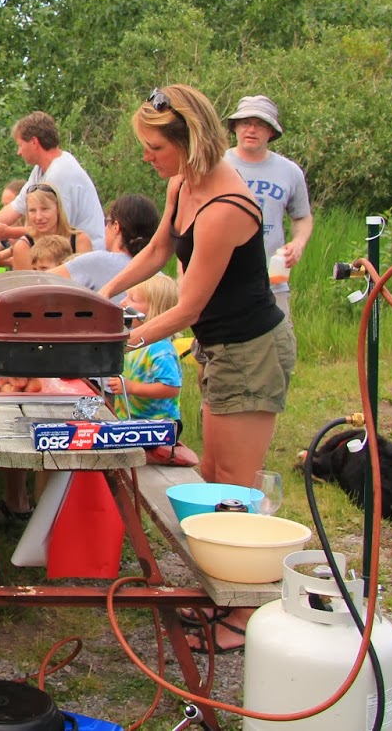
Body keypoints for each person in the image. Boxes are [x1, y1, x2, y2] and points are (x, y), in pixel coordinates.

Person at [100, 84, 295, 657]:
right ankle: (216, 594)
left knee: (235, 488)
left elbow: (188, 307)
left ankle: (240, 614)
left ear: (187, 140)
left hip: (251, 349)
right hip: (220, 348)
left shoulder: (227, 208)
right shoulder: (181, 182)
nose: (146, 156)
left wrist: (118, 339)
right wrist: (103, 295)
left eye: (154, 145)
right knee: (210, 473)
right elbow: (159, 251)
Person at [224, 95, 314, 323]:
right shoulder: (217, 164)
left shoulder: (290, 171)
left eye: (260, 124)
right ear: (235, 127)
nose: (251, 130)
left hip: (272, 281)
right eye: (246, 123)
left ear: (271, 132)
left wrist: (298, 244)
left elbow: (302, 216)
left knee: (280, 349)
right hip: (222, 280)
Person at [0, 112, 106, 251]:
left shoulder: (61, 172)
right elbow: (16, 206)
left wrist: (8, 233)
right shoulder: (40, 170)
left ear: (34, 142)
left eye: (20, 145)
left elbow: (55, 229)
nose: (19, 152)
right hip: (63, 251)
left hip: (86, 254)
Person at [47, 193, 160, 300]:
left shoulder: (97, 261)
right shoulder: (160, 277)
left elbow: (40, 281)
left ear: (116, 227)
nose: (105, 228)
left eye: (107, 222)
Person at [104, 273, 182, 424]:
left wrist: (131, 387)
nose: (123, 303)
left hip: (159, 424)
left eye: (132, 299)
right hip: (128, 419)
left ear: (154, 309)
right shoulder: (130, 337)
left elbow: (171, 388)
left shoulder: (160, 349)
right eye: (126, 296)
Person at [8, 183, 92, 269]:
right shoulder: (23, 247)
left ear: (58, 209)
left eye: (45, 209)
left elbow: (86, 278)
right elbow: (25, 282)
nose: (38, 217)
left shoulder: (80, 240)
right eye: (32, 211)